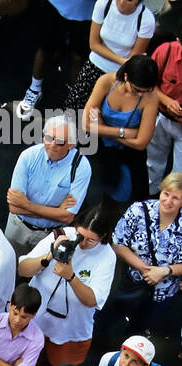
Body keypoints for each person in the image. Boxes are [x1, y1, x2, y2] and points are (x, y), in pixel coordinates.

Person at [17, 206, 117, 366]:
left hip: (69, 329)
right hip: (34, 320)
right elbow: (23, 270)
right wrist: (49, 255)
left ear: (103, 237)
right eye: (80, 236)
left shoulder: (107, 256)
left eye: (90, 240)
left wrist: (70, 276)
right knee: (21, 365)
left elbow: (92, 300)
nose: (82, 243)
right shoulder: (61, 235)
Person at [4, 116, 92, 261]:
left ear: (71, 145)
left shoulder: (81, 167)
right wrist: (56, 209)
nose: (52, 144)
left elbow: (68, 217)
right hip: (18, 228)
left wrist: (26, 205)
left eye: (59, 141)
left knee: (41, 273)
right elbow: (14, 207)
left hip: (50, 235)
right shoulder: (28, 156)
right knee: (10, 266)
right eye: (49, 138)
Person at [110, 173, 182, 333]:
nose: (168, 201)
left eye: (175, 198)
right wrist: (146, 270)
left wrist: (166, 270)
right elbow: (117, 243)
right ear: (160, 191)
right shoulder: (139, 210)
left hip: (164, 292)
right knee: (114, 325)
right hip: (130, 285)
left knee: (138, 329)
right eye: (166, 194)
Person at [82, 55, 159, 203]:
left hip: (130, 154)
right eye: (136, 90)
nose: (141, 94)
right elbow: (86, 123)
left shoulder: (151, 97)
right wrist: (124, 133)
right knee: (95, 192)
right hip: (101, 149)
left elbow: (141, 142)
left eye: (146, 90)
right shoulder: (106, 82)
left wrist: (101, 128)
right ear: (126, 76)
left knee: (135, 196)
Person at [147, 35, 182, 194]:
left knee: (179, 174)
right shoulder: (165, 52)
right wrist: (167, 101)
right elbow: (148, 84)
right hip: (161, 117)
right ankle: (151, 197)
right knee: (152, 165)